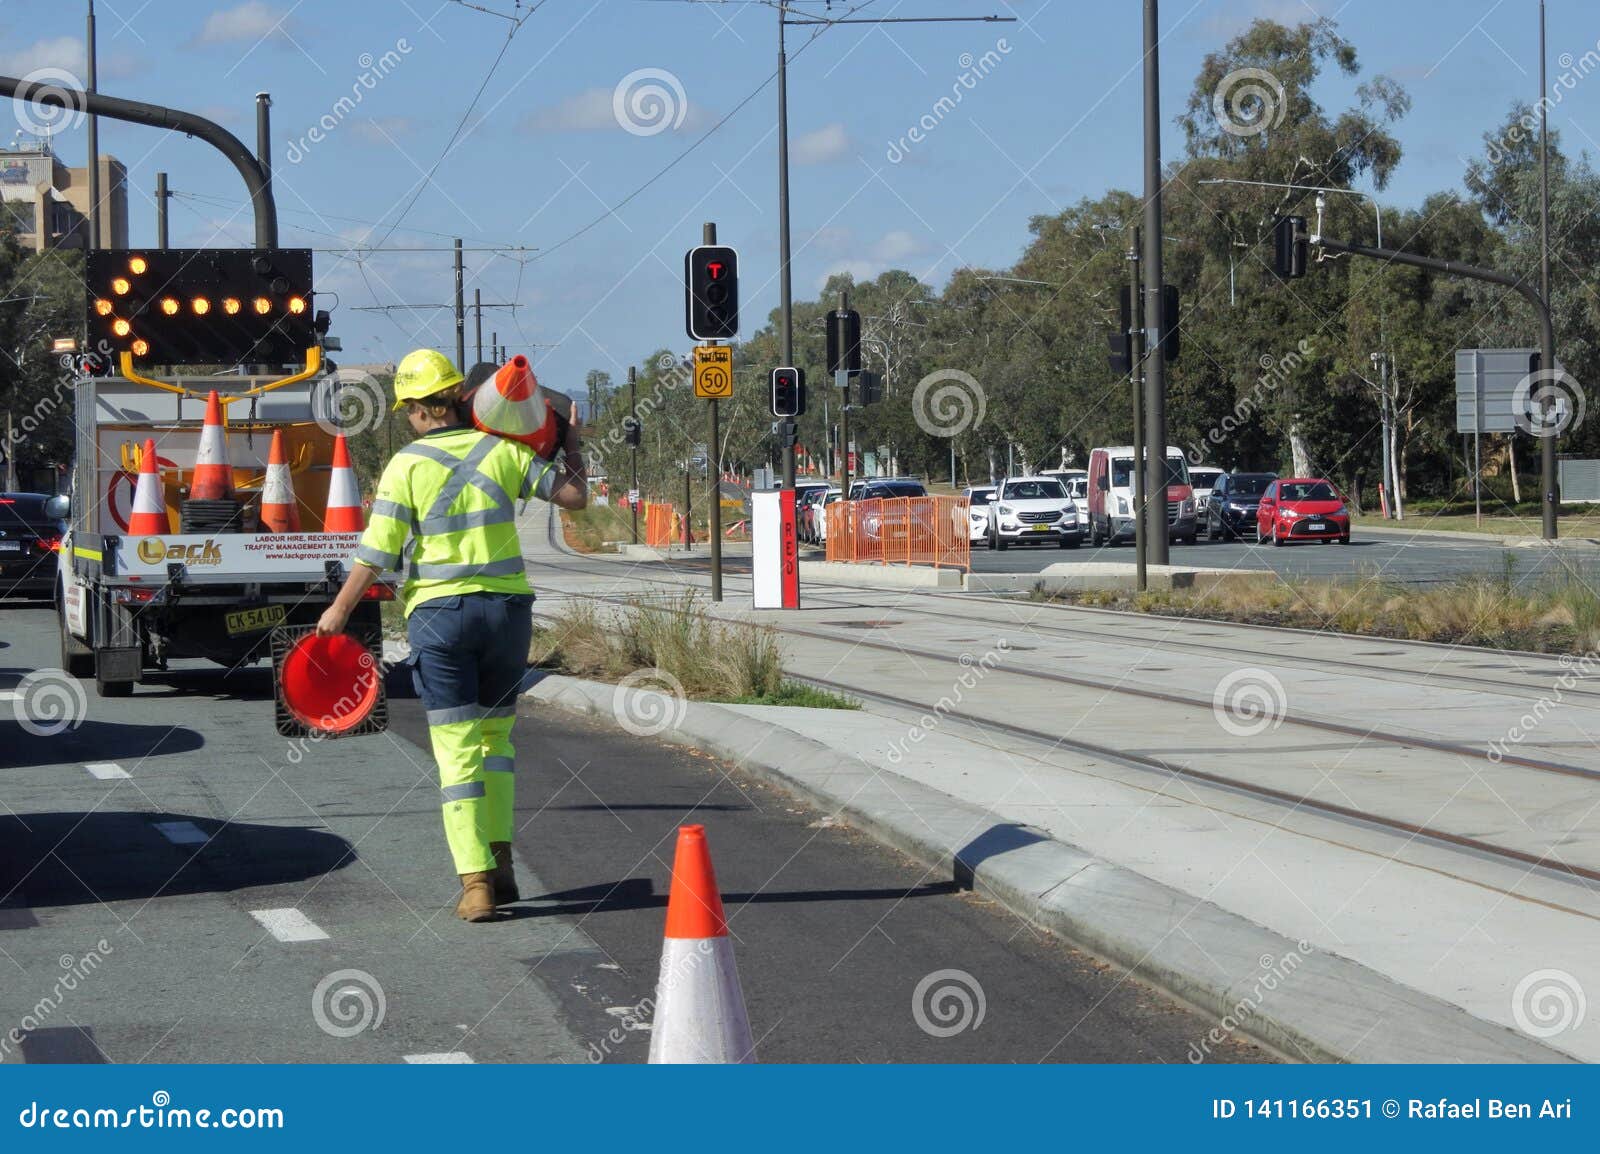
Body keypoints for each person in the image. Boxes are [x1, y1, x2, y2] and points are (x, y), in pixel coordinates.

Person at [316, 348, 587, 923]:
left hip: (440, 620)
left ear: (416, 409)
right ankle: (502, 861)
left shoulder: (405, 466)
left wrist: (339, 610)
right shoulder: (506, 451)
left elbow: (377, 554)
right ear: (457, 398)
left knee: (457, 754)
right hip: (507, 615)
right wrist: (573, 443)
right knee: (497, 747)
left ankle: (476, 886)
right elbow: (574, 498)